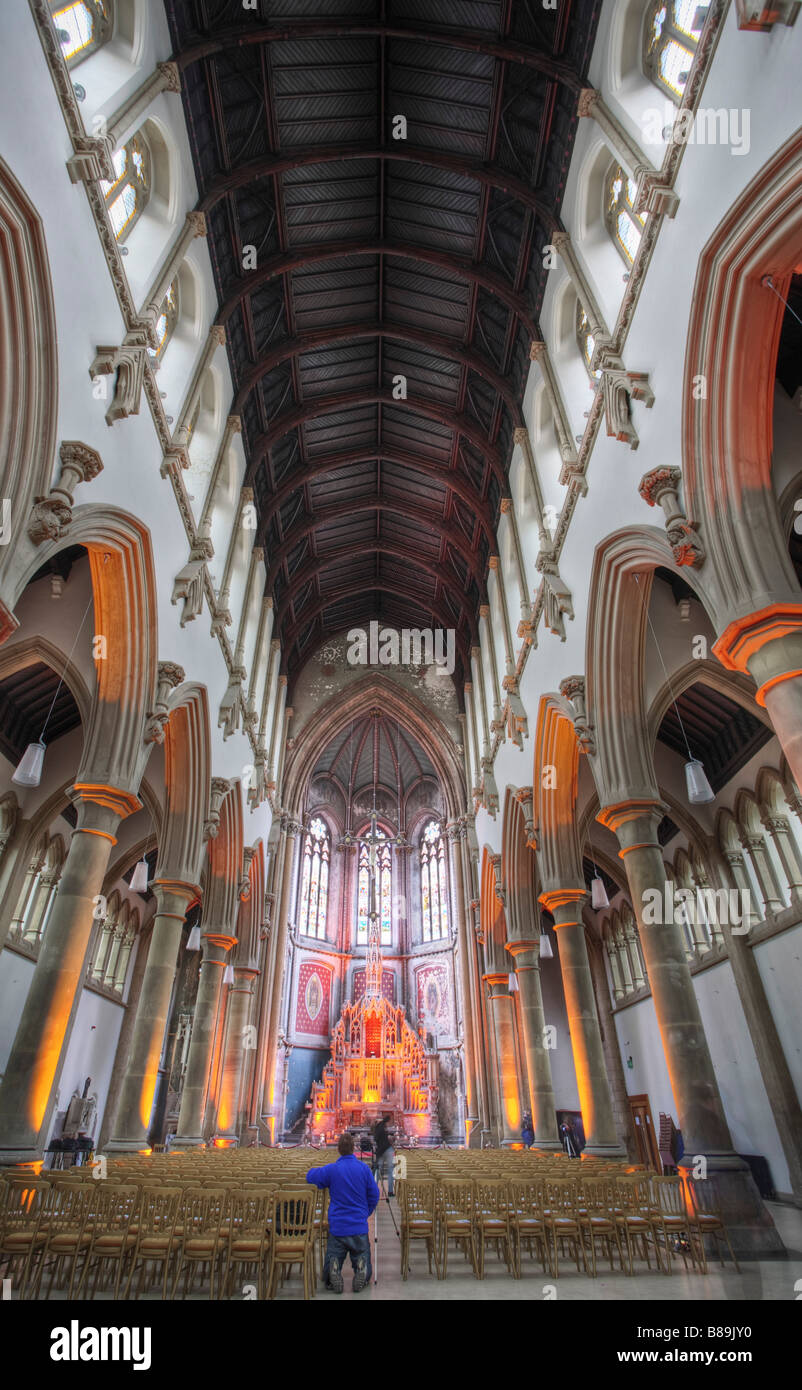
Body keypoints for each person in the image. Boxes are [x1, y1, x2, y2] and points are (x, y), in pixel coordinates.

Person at [306, 1132, 380, 1293]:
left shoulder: (332, 1169)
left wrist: (311, 1167)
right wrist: (365, 1213)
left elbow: (310, 1176)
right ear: (354, 1148)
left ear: (338, 1149)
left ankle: (333, 1269)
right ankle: (362, 1269)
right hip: (358, 1227)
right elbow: (375, 1195)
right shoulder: (364, 1169)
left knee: (331, 1260)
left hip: (337, 1227)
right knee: (362, 1256)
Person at [373, 1116, 395, 1197]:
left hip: (381, 1150)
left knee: (378, 1171)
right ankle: (390, 1191)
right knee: (390, 1170)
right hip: (387, 1149)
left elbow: (376, 1139)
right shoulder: (383, 1127)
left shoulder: (378, 1128)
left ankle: (374, 1190)